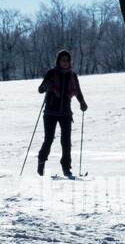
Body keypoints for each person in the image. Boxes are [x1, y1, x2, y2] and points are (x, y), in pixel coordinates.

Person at [36, 49, 87, 177]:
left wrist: (82, 102)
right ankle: (41, 160)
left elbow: (78, 91)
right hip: (50, 112)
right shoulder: (51, 73)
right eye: (62, 60)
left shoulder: (72, 75)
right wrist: (47, 85)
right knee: (48, 139)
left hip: (65, 112)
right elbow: (40, 90)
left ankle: (66, 166)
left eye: (67, 60)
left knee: (66, 141)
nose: (65, 62)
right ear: (58, 61)